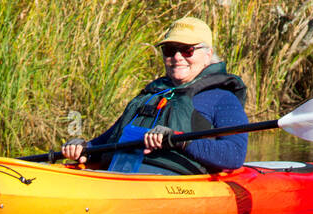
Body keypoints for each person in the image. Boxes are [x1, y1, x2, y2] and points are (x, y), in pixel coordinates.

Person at [62, 16, 249, 175]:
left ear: (208, 54)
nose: (177, 57)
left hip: (175, 185)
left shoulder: (222, 98)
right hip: (120, 176)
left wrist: (180, 140)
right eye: (169, 50)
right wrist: (85, 148)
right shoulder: (152, 94)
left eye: (187, 50)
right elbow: (110, 138)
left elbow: (234, 154)